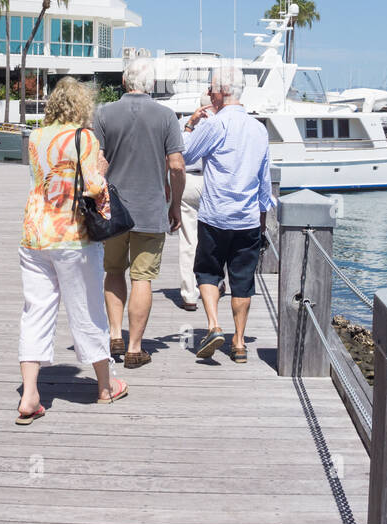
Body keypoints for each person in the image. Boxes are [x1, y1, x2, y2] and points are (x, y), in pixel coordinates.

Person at [17, 77, 128, 423]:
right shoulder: (85, 138)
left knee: (35, 312)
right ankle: (105, 388)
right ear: (81, 106)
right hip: (72, 236)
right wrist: (103, 171)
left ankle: (30, 393)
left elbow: (42, 178)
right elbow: (93, 186)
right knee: (88, 310)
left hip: (35, 234)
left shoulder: (36, 136)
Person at [93, 58, 185, 368]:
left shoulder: (103, 114)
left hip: (112, 210)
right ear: (152, 84)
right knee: (142, 278)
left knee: (114, 271)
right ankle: (134, 348)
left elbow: (95, 162)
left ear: (123, 80)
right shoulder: (166, 116)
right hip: (150, 209)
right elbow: (176, 165)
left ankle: (114, 334)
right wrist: (175, 203)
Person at [183, 65, 275, 364]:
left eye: (211, 88)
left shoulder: (214, 125)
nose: (209, 93)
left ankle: (213, 325)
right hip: (248, 217)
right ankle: (238, 342)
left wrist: (189, 126)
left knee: (208, 272)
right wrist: (263, 218)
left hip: (215, 215)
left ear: (222, 93)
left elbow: (184, 157)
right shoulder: (259, 129)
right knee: (242, 280)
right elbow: (264, 178)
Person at [176, 93, 216, 310]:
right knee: (215, 235)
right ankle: (214, 282)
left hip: (188, 180)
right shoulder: (219, 124)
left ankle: (189, 293)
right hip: (211, 181)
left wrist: (190, 124)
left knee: (188, 239)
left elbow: (176, 156)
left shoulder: (185, 123)